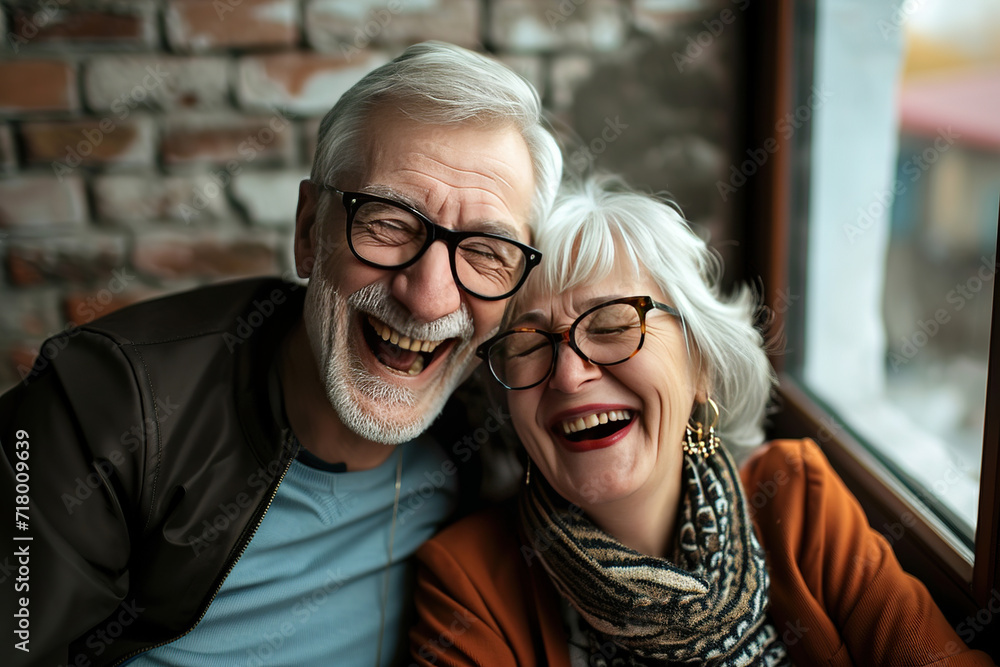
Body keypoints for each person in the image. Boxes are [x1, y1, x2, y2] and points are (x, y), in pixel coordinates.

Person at [0, 42, 562, 667]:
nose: (428, 299)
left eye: (486, 250)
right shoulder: (103, 403)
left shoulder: (505, 429)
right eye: (389, 223)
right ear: (308, 231)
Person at [410, 175, 996, 666]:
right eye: (529, 343)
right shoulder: (466, 585)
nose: (568, 376)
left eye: (613, 325)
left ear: (702, 367)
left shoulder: (798, 502)